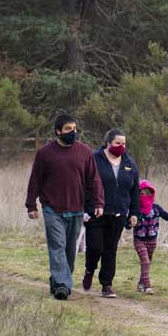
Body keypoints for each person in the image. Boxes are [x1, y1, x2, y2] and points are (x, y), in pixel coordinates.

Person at [26, 113, 104, 301]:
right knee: (57, 246)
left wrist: (99, 202)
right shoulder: (44, 153)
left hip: (77, 208)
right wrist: (31, 205)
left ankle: (57, 281)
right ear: (58, 131)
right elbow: (35, 180)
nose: (73, 132)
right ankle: (63, 285)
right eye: (68, 129)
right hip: (52, 208)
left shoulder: (84, 151)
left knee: (70, 250)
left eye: (75, 129)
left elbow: (94, 179)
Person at [82, 128, 140, 298]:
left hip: (119, 213)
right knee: (95, 247)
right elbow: (84, 185)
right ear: (108, 143)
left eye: (124, 143)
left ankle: (106, 284)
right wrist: (86, 208)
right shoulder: (94, 159)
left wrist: (134, 213)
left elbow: (134, 191)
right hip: (96, 212)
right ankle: (89, 269)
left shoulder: (129, 163)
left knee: (110, 250)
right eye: (117, 143)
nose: (121, 146)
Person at [133, 179, 168, 294]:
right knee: (145, 261)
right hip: (139, 240)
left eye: (148, 193)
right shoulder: (135, 209)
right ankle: (147, 286)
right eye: (141, 194)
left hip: (152, 241)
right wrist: (129, 222)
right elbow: (127, 225)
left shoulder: (156, 208)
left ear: (152, 194)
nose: (145, 196)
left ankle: (141, 283)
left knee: (147, 263)